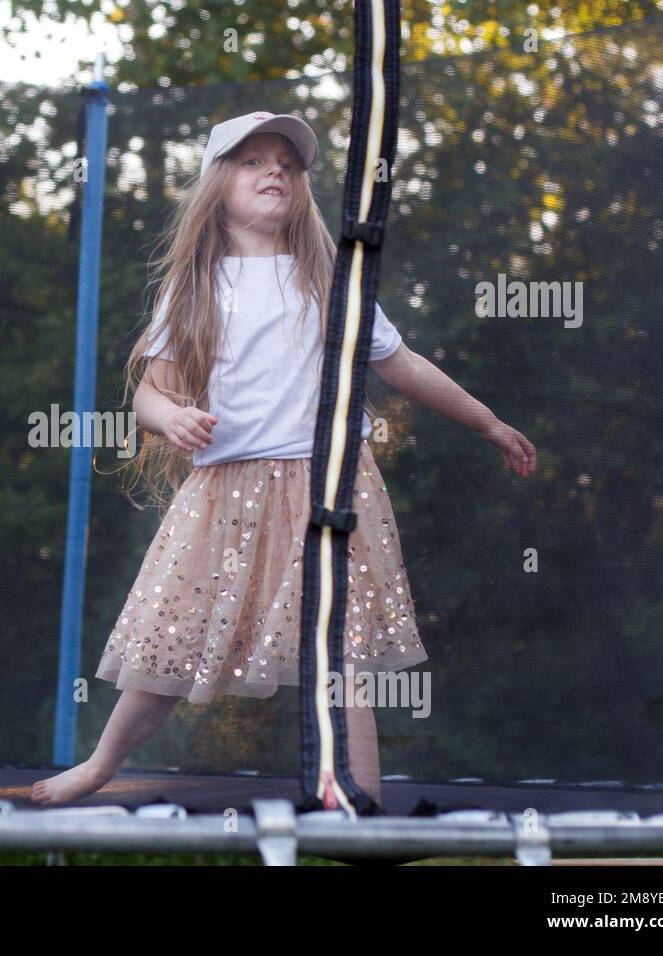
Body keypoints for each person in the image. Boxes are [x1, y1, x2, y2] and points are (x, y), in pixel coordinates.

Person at [32, 110, 536, 808]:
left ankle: (357, 801)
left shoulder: (330, 280)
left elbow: (403, 365)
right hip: (225, 495)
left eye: (289, 165)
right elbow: (152, 392)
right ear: (218, 185)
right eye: (254, 161)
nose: (275, 172)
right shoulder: (197, 284)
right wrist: (173, 416)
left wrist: (486, 421)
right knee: (171, 641)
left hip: (327, 486)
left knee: (343, 651)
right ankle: (100, 764)